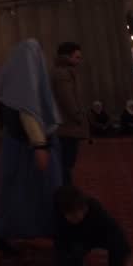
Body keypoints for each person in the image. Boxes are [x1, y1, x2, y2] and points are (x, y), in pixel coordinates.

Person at [0, 39, 63, 256]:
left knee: (16, 191)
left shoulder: (8, 78)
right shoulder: (25, 83)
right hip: (28, 147)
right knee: (37, 190)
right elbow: (29, 112)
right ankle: (15, 232)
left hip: (14, 144)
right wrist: (40, 145)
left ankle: (7, 233)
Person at [53, 185, 133, 266]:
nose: (77, 217)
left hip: (95, 235)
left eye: (79, 211)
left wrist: (125, 253)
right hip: (76, 241)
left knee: (117, 244)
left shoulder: (93, 207)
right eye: (72, 215)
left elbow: (113, 229)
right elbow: (60, 246)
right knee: (72, 255)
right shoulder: (60, 219)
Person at [52, 42, 87, 186]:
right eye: (77, 57)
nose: (79, 61)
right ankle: (65, 191)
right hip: (67, 125)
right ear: (67, 57)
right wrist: (78, 117)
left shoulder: (66, 72)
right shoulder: (62, 73)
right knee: (65, 162)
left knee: (66, 162)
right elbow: (67, 99)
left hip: (67, 125)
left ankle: (65, 189)